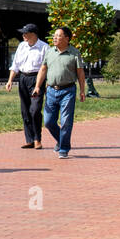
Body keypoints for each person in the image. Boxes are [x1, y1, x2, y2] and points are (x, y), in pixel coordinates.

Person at [34, 26, 87, 159]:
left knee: (66, 121)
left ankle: (63, 148)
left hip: (68, 91)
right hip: (51, 90)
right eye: (54, 35)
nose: (55, 38)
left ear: (67, 38)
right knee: (48, 121)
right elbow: (43, 69)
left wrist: (82, 90)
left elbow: (80, 73)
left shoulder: (74, 53)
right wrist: (37, 86)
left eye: (58, 35)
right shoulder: (50, 52)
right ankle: (61, 140)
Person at [4, 23, 49, 149]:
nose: (23, 35)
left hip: (37, 79)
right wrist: (10, 80)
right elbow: (16, 65)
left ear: (33, 34)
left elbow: (46, 68)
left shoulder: (45, 47)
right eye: (23, 33)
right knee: (25, 110)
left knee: (34, 110)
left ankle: (37, 139)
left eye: (26, 33)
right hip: (23, 78)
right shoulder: (22, 46)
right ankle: (29, 139)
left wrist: (41, 84)